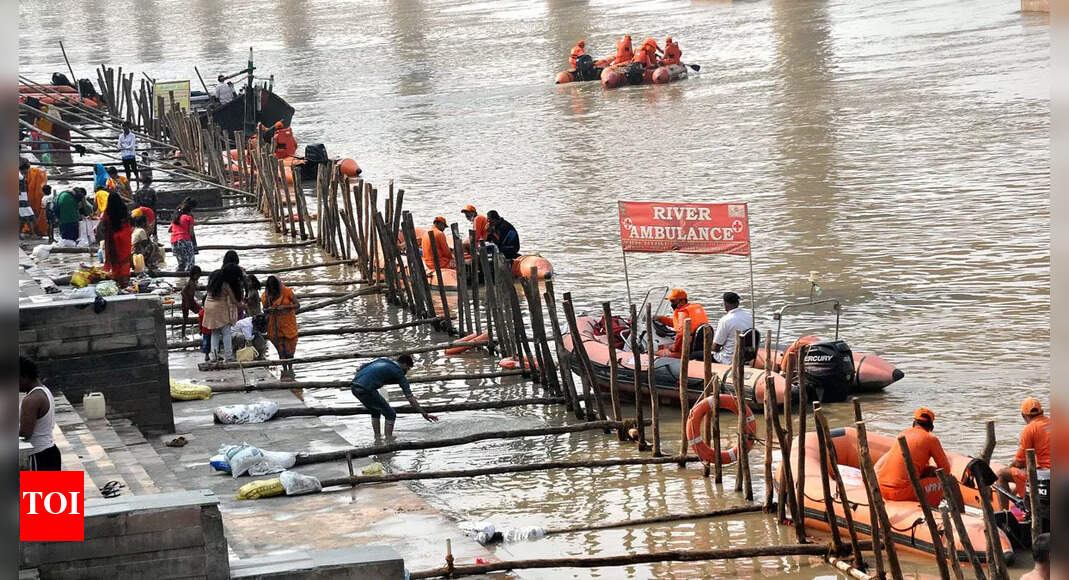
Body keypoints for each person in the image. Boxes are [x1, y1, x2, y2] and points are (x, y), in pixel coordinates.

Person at [874, 408, 952, 505]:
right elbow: (946, 470)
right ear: (931, 427)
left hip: (881, 488)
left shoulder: (902, 434)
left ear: (914, 423)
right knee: (948, 481)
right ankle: (935, 511)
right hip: (900, 492)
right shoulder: (931, 439)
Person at [350, 355, 439, 440]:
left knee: (375, 411)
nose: (406, 371)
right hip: (366, 389)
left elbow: (359, 368)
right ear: (404, 364)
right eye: (407, 368)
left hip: (354, 387)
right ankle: (388, 441)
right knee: (391, 414)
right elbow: (410, 397)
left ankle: (377, 439)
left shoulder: (383, 360)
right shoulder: (399, 372)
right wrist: (424, 413)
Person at [996, 397, 1052, 509]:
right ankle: (1021, 495)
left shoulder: (1030, 429)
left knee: (1001, 474)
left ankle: (1004, 515)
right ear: (1042, 412)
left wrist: (1009, 467)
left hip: (1044, 476)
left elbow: (1019, 462)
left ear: (1023, 415)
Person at [20, 357, 61, 471]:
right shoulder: (45, 390)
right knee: (52, 489)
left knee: (38, 489)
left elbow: (25, 434)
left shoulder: (32, 399)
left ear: (24, 376)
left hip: (37, 455)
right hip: (50, 450)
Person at [202, 262, 244, 362]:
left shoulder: (214, 277)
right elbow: (234, 300)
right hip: (219, 308)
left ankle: (214, 356)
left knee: (215, 332)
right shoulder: (225, 284)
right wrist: (242, 306)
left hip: (208, 306)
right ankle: (228, 355)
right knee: (226, 332)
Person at [262, 275, 300, 381]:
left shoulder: (287, 292)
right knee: (281, 350)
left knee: (290, 349)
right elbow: (264, 309)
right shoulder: (266, 295)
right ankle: (284, 369)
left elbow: (297, 305)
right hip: (274, 326)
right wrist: (270, 309)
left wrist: (286, 307)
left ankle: (290, 369)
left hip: (288, 325)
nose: (273, 291)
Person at [656, 289, 710, 359]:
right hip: (697, 346)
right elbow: (680, 324)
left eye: (673, 301)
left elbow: (681, 333)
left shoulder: (683, 312)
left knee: (657, 352)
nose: (671, 304)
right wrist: (662, 319)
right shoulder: (696, 308)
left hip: (685, 350)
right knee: (664, 346)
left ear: (682, 301)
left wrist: (674, 348)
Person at [97, 191, 133, 286]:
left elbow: (103, 227)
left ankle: (118, 279)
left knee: (115, 257)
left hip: (113, 238)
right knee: (125, 257)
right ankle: (125, 280)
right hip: (125, 236)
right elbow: (130, 219)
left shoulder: (107, 212)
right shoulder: (124, 209)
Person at [711, 291, 754, 364]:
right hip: (746, 356)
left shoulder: (725, 320)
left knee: (695, 355)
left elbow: (716, 347)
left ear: (725, 304)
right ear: (737, 303)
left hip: (728, 358)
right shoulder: (749, 315)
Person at [170, 197, 198, 272]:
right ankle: (190, 282)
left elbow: (170, 230)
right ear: (191, 208)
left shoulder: (176, 216)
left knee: (181, 265)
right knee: (190, 265)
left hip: (174, 242)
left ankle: (180, 282)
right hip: (184, 241)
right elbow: (191, 233)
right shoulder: (189, 217)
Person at [18, 160, 39, 238]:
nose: (28, 171)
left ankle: (19, 234)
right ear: (24, 169)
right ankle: (33, 234)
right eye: (27, 170)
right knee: (30, 216)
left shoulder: (20, 174)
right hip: (21, 199)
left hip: (23, 197)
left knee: (23, 217)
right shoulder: (18, 175)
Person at [180, 266, 203, 336]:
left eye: (199, 275)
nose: (198, 277)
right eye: (197, 275)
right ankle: (183, 334)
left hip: (191, 301)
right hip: (186, 301)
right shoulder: (190, 282)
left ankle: (200, 329)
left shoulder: (193, 281)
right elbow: (183, 292)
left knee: (201, 312)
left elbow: (194, 289)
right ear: (193, 275)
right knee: (185, 319)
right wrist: (187, 301)